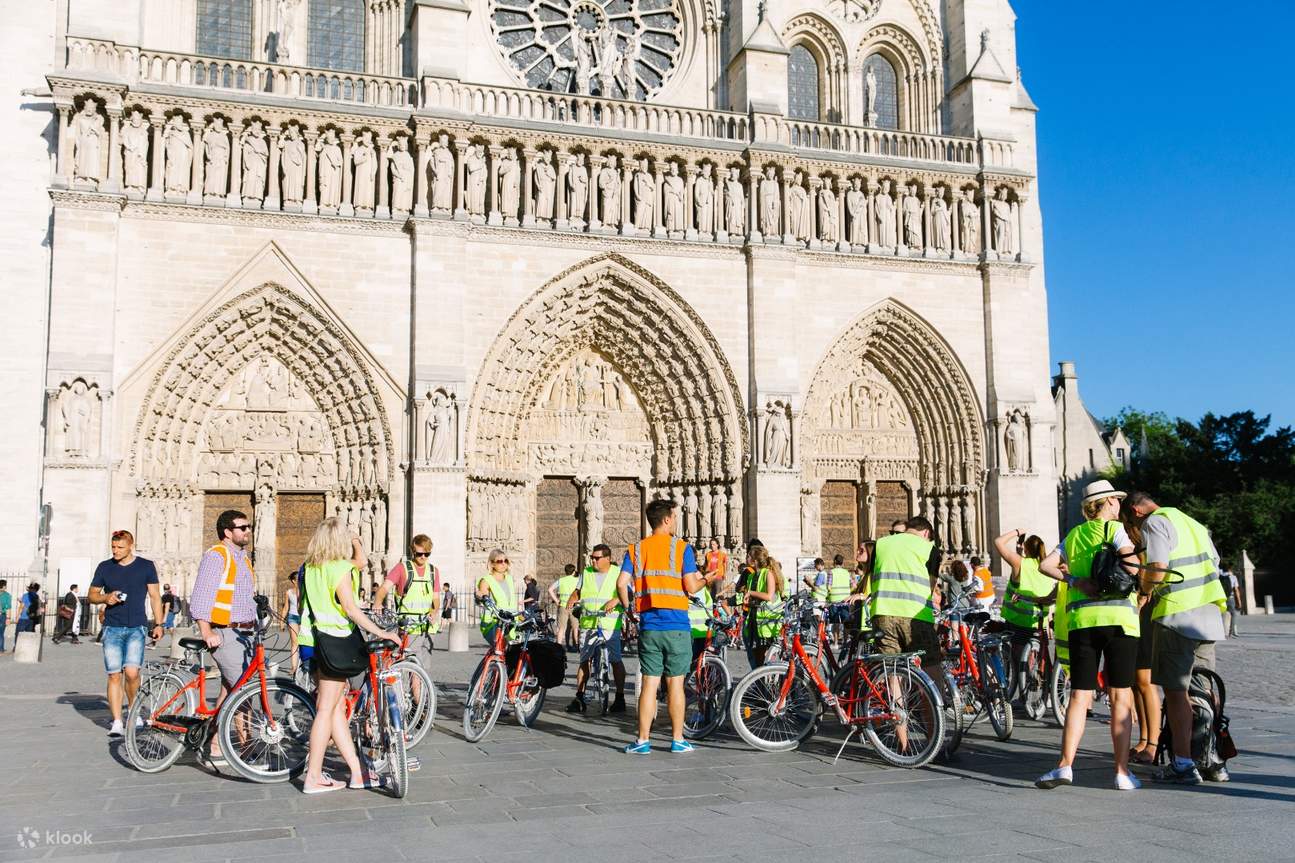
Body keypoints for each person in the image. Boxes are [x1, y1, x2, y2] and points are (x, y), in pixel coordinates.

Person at [1036, 480, 1141, 791]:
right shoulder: (1114, 530)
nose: (1119, 506)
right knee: (1120, 695)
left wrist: (1075, 579)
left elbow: (1045, 565)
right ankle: (1122, 772)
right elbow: (1133, 566)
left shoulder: (1075, 534)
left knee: (1079, 696)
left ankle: (1065, 765)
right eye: (1116, 501)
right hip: (1120, 620)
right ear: (1108, 502)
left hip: (1083, 620)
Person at [1127, 491, 1229, 784]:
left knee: (1176, 692)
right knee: (1203, 691)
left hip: (1178, 615)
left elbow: (1158, 567)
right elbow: (1215, 561)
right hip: (1209, 613)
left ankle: (1183, 764)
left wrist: (1144, 592)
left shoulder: (1155, 522)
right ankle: (1211, 759)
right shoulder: (1192, 523)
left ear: (1135, 511)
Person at [299, 519, 396, 793]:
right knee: (325, 711)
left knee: (335, 710)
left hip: (315, 642)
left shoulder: (310, 568)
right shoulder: (341, 568)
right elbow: (352, 609)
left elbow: (361, 563)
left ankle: (357, 771)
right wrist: (381, 632)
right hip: (336, 642)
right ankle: (314, 776)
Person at [619, 498, 719, 754]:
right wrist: (707, 577)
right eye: (674, 517)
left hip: (649, 625)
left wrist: (630, 610)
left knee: (650, 683)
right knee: (675, 683)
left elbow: (621, 584)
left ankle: (642, 740)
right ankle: (677, 740)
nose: (676, 521)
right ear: (666, 519)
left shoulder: (636, 549)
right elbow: (691, 586)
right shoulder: (681, 548)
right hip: (677, 626)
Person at [867, 516, 942, 754]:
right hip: (915, 619)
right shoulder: (930, 548)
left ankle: (904, 744)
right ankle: (934, 740)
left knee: (893, 677)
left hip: (883, 615)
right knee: (931, 673)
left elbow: (870, 579)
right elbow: (930, 589)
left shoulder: (880, 544)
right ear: (926, 532)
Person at [189, 510, 257, 764]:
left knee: (230, 689)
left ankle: (216, 743)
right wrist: (206, 631)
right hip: (225, 632)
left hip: (245, 632)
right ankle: (247, 748)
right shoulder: (217, 556)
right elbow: (201, 597)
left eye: (249, 526)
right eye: (242, 527)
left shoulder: (243, 558)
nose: (247, 531)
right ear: (228, 532)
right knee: (243, 689)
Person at [88, 530, 163, 738]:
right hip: (112, 627)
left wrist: (159, 623)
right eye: (113, 547)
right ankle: (117, 721)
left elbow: (155, 596)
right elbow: (91, 595)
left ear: (131, 546)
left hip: (136, 627)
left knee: (132, 673)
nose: (115, 551)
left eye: (120, 547)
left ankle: (133, 709)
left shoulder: (146, 566)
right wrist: (106, 598)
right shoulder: (105, 567)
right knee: (114, 674)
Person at [994, 529, 1056, 702]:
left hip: (1018, 619)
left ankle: (1023, 691)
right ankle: (1048, 691)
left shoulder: (1020, 563)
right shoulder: (1046, 564)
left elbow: (998, 542)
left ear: (1026, 550)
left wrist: (1016, 531)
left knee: (1017, 658)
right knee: (1042, 656)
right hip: (1039, 620)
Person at [566, 544, 626, 713]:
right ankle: (579, 697)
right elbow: (578, 591)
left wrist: (615, 601)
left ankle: (620, 697)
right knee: (585, 660)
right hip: (588, 621)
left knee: (615, 660)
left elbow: (627, 593)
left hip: (610, 624)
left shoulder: (618, 572)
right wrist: (572, 597)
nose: (593, 560)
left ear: (607, 558)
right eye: (592, 557)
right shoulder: (587, 573)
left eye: (596, 558)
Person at [373, 535, 440, 681]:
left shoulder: (433, 571)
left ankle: (419, 700)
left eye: (426, 554)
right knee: (413, 667)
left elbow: (435, 597)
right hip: (408, 626)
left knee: (422, 669)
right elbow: (384, 588)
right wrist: (377, 603)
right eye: (419, 553)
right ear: (412, 551)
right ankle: (415, 700)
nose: (422, 557)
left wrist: (434, 610)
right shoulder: (402, 568)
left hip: (427, 627)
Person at [743, 545, 783, 668]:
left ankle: (768, 681)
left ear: (754, 560)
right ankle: (760, 683)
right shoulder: (751, 576)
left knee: (765, 655)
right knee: (757, 655)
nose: (746, 558)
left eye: (748, 556)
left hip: (768, 621)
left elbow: (769, 596)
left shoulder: (768, 573)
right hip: (755, 619)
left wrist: (751, 593)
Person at [475, 549, 517, 643]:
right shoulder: (486, 580)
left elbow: (511, 600)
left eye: (505, 561)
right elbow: (483, 596)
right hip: (494, 621)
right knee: (500, 651)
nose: (503, 564)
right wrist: (480, 596)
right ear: (492, 564)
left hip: (511, 620)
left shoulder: (509, 578)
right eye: (499, 561)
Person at [548, 563, 580, 651]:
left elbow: (550, 589)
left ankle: (558, 646)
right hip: (574, 605)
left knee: (561, 627)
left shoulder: (561, 580)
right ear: (573, 571)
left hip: (563, 606)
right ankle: (576, 646)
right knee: (575, 627)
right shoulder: (577, 580)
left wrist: (556, 600)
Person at [279, 573, 301, 675]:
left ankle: (305, 666)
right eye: (298, 578)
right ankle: (294, 667)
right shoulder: (289, 592)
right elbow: (286, 607)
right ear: (293, 581)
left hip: (304, 618)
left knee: (305, 642)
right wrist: (281, 621)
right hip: (293, 617)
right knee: (294, 643)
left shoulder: (305, 590)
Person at [1218, 560, 1240, 638]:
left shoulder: (1219, 576)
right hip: (1230, 598)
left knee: (1219, 614)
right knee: (1233, 614)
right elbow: (1236, 590)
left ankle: (1219, 631)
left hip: (1220, 597)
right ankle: (1232, 631)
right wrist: (1239, 602)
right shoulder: (1233, 577)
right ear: (1230, 569)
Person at [0, 579, 10, 652]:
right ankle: (1, 648)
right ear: (3, 586)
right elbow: (8, 608)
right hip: (2, 616)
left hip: (2, 615)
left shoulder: (7, 595)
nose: (6, 587)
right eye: (5, 585)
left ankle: (1, 648)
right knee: (1, 633)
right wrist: (8, 618)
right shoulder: (7, 595)